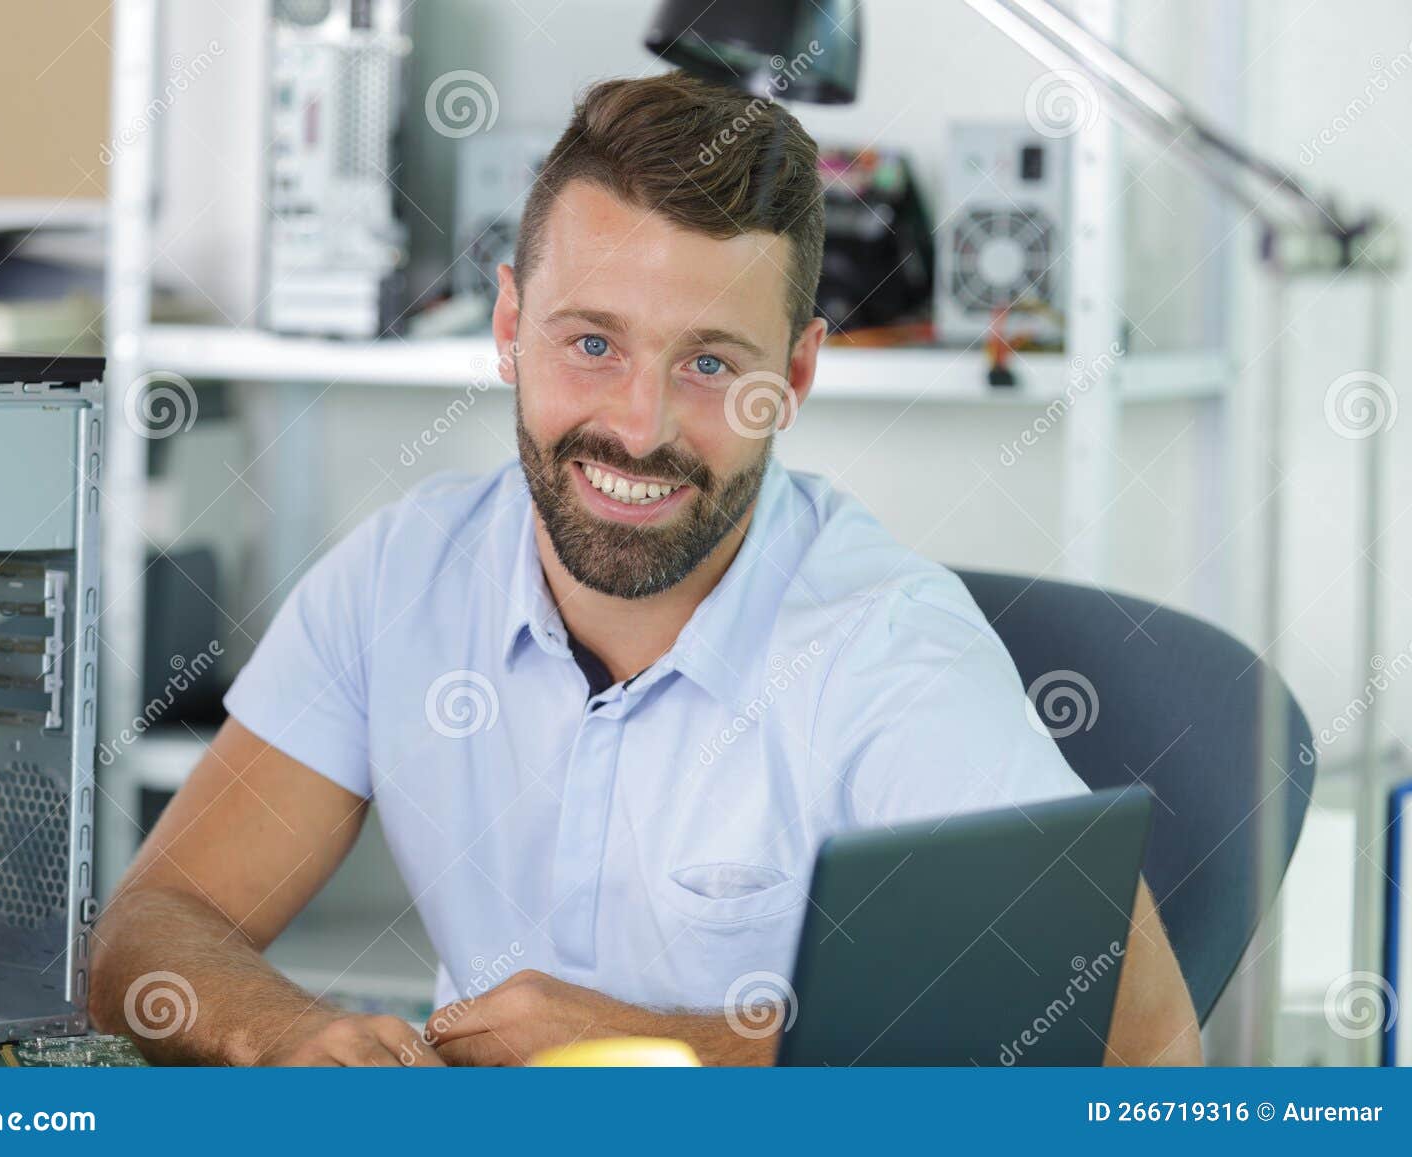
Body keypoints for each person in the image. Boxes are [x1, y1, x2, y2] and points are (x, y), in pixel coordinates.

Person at [90, 71, 1202, 1067]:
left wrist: (660, 1047)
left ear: (795, 376)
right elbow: (156, 924)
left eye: (710, 363)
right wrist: (283, 1033)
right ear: (509, 325)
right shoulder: (399, 575)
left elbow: (1146, 1053)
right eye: (592, 344)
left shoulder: (891, 645)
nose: (637, 426)